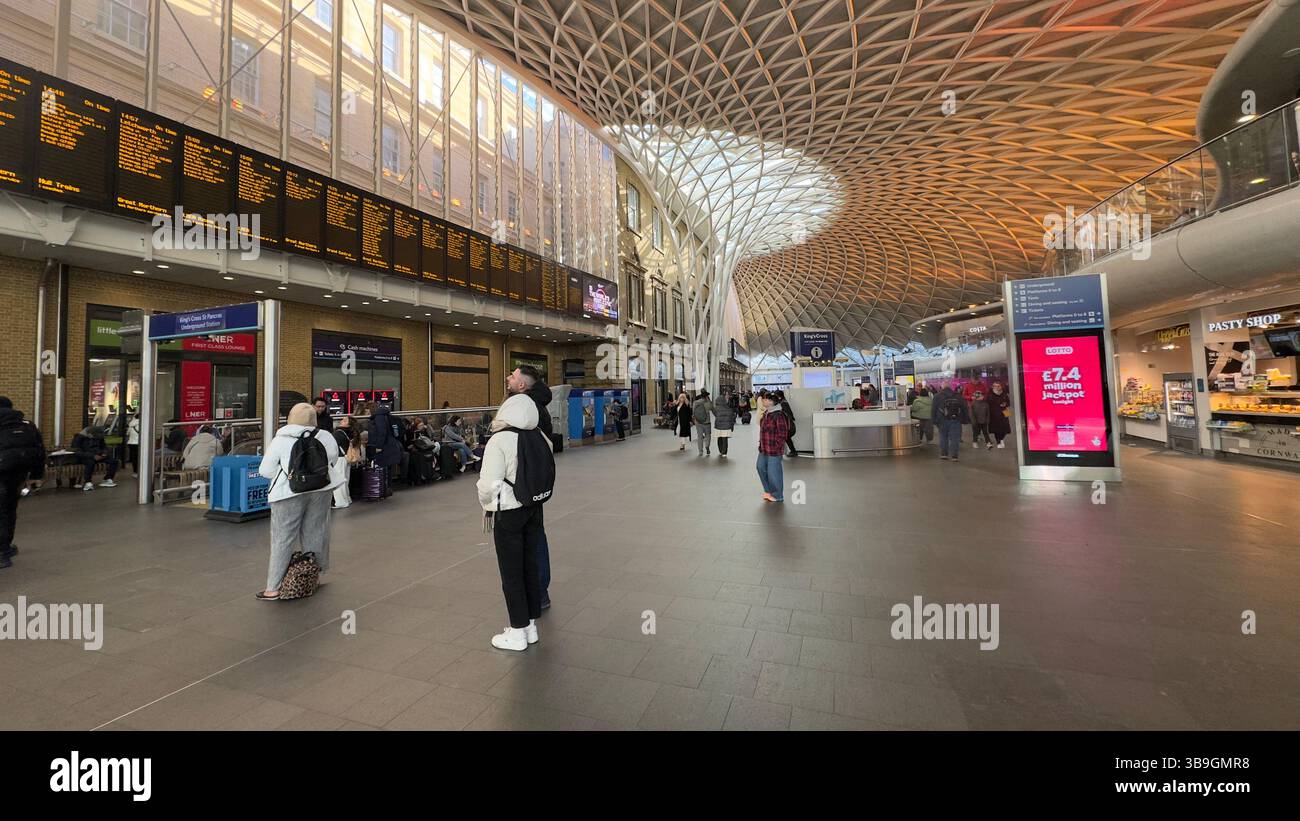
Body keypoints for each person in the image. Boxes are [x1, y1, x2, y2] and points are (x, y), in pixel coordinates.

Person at [477, 393, 550, 651]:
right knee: (530, 567)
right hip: (534, 509)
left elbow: (488, 484)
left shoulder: (500, 439)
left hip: (509, 512)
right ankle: (530, 626)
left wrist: (486, 503)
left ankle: (517, 632)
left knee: (511, 572)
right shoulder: (539, 436)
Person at [256, 403, 343, 600]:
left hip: (288, 493)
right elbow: (333, 459)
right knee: (317, 531)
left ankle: (273, 587)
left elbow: (266, 471)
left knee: (283, 537)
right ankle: (314, 576)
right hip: (321, 489)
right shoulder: (326, 436)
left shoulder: (281, 439)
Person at [505, 364, 554, 609]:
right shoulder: (536, 407)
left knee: (530, 538)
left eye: (512, 376)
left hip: (522, 482)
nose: (508, 378)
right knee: (535, 534)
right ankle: (539, 590)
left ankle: (536, 591)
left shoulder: (524, 409)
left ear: (522, 385)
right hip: (534, 481)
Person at [0, 397, 44, 569]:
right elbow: (39, 450)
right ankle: (6, 548)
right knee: (9, 510)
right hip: (18, 473)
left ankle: (1, 554)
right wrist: (36, 475)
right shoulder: (27, 424)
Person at [756, 392, 789, 502]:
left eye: (765, 399)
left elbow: (783, 434)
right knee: (760, 467)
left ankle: (778, 495)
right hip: (764, 449)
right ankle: (768, 490)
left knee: (773, 473)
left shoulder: (778, 415)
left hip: (774, 450)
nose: (763, 401)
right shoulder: (766, 413)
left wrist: (776, 446)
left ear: (771, 401)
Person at [368, 402, 404, 494]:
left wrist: (378, 446)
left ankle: (383, 489)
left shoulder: (378, 417)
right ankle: (386, 488)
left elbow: (381, 432)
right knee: (387, 468)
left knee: (383, 467)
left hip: (384, 446)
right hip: (390, 445)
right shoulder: (385, 415)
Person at [931, 380, 970, 461]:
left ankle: (944, 454)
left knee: (943, 437)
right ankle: (954, 456)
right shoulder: (958, 396)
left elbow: (933, 409)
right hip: (955, 419)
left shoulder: (937, 396)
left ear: (942, 387)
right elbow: (964, 408)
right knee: (955, 438)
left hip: (942, 420)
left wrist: (933, 420)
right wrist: (966, 419)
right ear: (951, 387)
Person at [71, 425, 118, 491]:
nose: (95, 438)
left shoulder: (99, 437)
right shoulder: (78, 439)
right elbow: (77, 452)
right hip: (85, 457)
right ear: (89, 434)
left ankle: (107, 479)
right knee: (90, 462)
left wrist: (104, 453)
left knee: (114, 461)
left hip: (98, 455)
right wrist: (93, 456)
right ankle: (88, 482)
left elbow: (104, 447)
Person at [332, 416, 360, 508]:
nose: (341, 421)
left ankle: (341, 502)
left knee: (338, 481)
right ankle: (347, 498)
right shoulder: (349, 433)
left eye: (344, 420)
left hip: (339, 458)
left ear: (348, 424)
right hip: (346, 457)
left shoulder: (338, 433)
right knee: (345, 480)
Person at [712, 390, 737, 457]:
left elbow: (715, 414)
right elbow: (732, 417)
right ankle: (724, 452)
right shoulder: (728, 408)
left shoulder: (716, 408)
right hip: (726, 426)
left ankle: (721, 450)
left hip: (718, 426)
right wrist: (732, 426)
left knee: (719, 438)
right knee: (724, 439)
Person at [988, 382, 1012, 449]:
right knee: (996, 429)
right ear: (993, 387)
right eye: (995, 386)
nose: (997, 387)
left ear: (1001, 387)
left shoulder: (1004, 394)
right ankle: (998, 441)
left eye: (998, 386)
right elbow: (988, 404)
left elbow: (1008, 402)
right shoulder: (990, 395)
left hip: (1004, 412)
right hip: (994, 414)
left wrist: (1005, 404)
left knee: (1005, 428)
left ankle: (1001, 439)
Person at [692, 389, 714, 456]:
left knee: (700, 436)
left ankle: (700, 451)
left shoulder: (696, 402)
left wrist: (695, 420)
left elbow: (693, 412)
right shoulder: (708, 403)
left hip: (698, 422)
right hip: (707, 422)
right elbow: (713, 409)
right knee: (708, 435)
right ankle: (707, 445)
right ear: (707, 396)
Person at [778, 392, 798, 457]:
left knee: (786, 437)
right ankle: (792, 451)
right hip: (789, 423)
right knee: (787, 438)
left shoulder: (782, 403)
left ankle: (792, 451)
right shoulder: (784, 401)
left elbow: (787, 412)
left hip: (787, 424)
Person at [126, 410, 140, 476]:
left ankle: (135, 472)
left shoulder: (131, 423)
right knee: (139, 458)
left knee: (134, 458)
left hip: (131, 443)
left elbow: (127, 433)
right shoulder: (142, 424)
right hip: (138, 443)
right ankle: (140, 470)